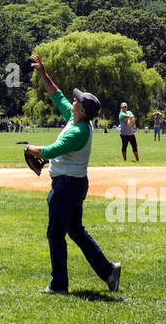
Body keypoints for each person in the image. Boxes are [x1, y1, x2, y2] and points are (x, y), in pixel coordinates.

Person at [23, 54, 121, 295]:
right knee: (75, 230)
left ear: (82, 110)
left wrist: (28, 149)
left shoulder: (77, 131)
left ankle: (58, 284)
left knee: (55, 233)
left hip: (66, 188)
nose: (72, 101)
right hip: (74, 186)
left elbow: (51, 151)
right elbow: (56, 94)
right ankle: (109, 271)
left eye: (76, 101)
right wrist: (43, 74)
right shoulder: (74, 118)